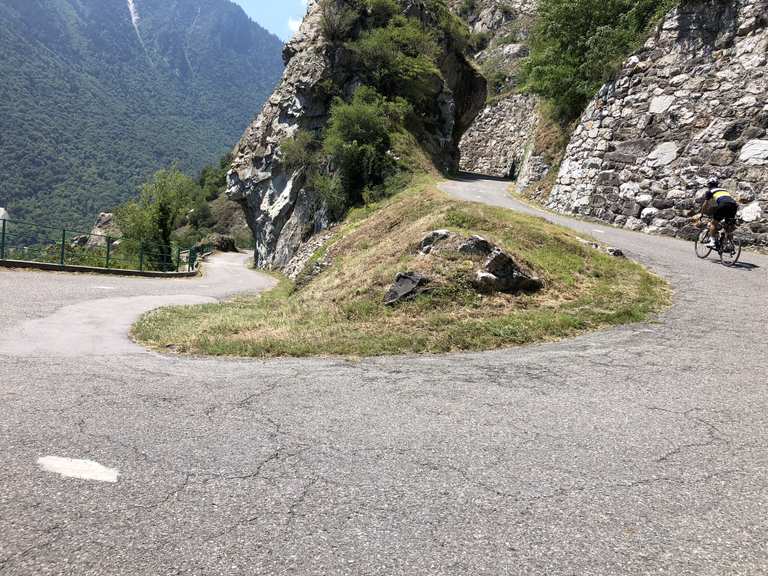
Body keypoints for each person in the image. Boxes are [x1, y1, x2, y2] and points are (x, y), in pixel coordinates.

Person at [700, 178, 738, 248]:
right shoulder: (724, 190)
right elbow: (721, 200)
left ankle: (712, 242)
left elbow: (705, 205)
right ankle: (730, 244)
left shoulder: (710, 192)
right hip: (733, 205)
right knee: (728, 226)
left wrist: (702, 214)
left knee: (713, 223)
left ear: (708, 185)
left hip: (723, 205)